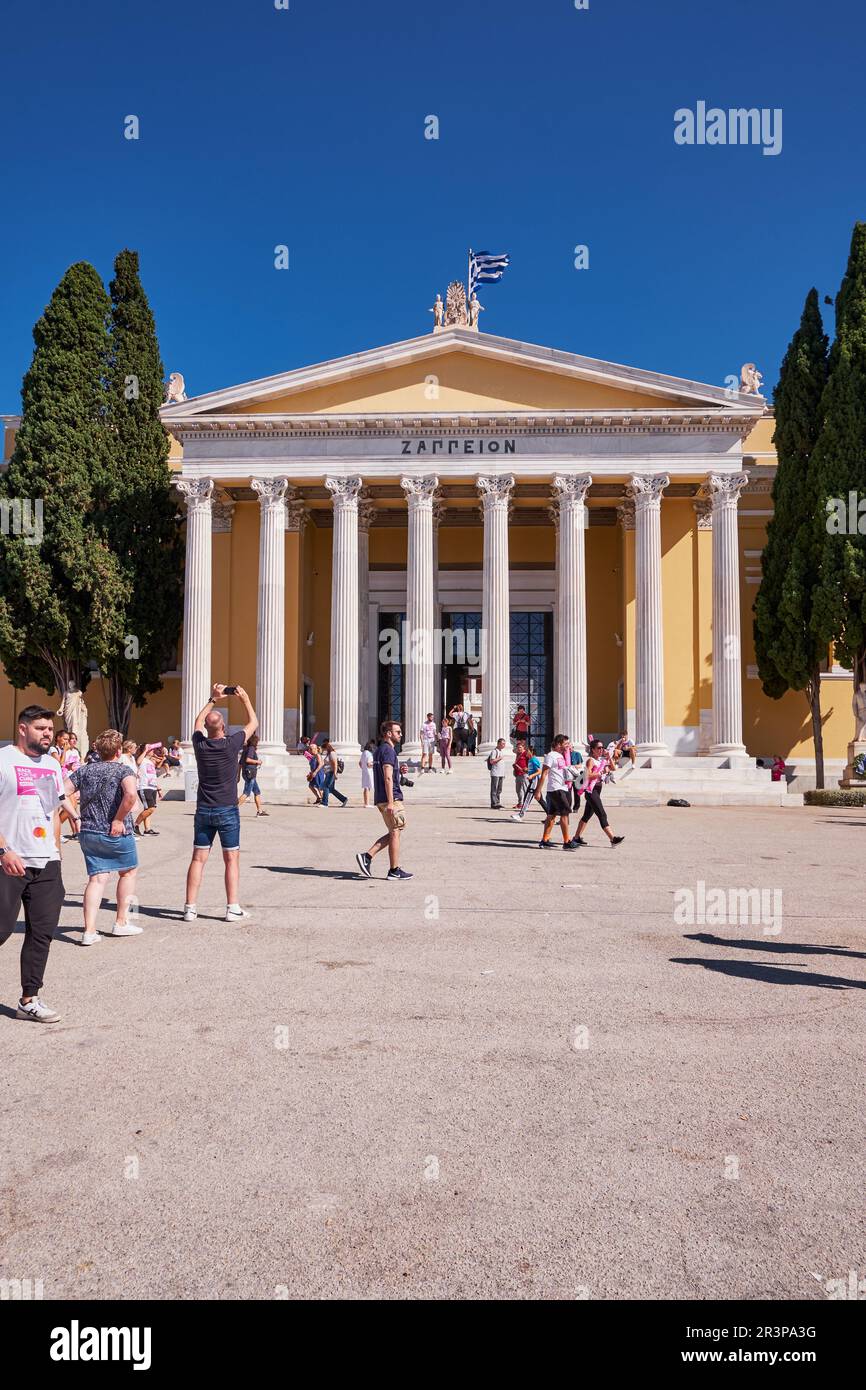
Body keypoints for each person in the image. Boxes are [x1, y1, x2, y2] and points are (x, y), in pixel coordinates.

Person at [0, 705, 68, 1022]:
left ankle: (29, 999)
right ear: (23, 728)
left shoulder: (53, 765)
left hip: (46, 863)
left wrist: (56, 851)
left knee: (41, 932)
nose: (47, 733)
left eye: (50, 729)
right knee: (0, 931)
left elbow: (53, 812)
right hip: (8, 861)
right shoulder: (3, 761)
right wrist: (3, 851)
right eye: (41, 728)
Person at [183, 683, 258, 923]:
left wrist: (213, 699)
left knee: (198, 858)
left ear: (206, 729)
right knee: (231, 858)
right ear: (223, 727)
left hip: (203, 809)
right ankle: (232, 907)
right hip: (227, 809)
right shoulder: (231, 744)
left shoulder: (200, 744)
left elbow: (196, 722)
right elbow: (253, 723)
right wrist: (244, 699)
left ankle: (189, 908)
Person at [65, 729, 142, 945]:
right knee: (127, 873)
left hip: (89, 831)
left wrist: (75, 816)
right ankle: (121, 921)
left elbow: (61, 791)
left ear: (97, 749)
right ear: (119, 750)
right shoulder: (123, 770)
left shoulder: (85, 771)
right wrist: (118, 819)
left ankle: (89, 931)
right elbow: (130, 795)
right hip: (115, 831)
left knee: (97, 879)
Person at [355, 720, 412, 881]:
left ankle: (367, 857)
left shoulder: (380, 751)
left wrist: (399, 771)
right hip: (390, 797)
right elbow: (387, 778)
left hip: (380, 797)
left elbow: (388, 772)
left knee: (395, 831)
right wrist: (391, 802)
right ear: (388, 733)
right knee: (395, 832)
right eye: (398, 732)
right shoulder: (388, 751)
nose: (400, 734)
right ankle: (393, 870)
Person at [569, 740, 624, 849]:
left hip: (598, 790)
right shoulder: (591, 761)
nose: (601, 750)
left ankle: (576, 837)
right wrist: (601, 772)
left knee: (586, 816)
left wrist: (608, 757)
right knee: (602, 814)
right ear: (593, 750)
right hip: (591, 791)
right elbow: (587, 775)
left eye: (602, 747)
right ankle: (613, 838)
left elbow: (613, 768)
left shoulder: (602, 760)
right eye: (598, 748)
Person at [537, 734, 581, 849]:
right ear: (558, 744)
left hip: (562, 787)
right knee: (565, 813)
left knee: (551, 815)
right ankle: (567, 841)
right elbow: (544, 773)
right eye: (565, 743)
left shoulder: (561, 756)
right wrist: (538, 791)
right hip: (556, 789)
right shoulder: (551, 756)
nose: (567, 746)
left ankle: (545, 840)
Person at [133, 744, 162, 836]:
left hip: (152, 787)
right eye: (151, 749)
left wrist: (158, 788)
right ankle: (135, 825)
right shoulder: (142, 759)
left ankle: (147, 829)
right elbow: (138, 762)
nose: (153, 751)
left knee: (148, 809)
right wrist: (145, 751)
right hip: (144, 787)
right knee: (151, 809)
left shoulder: (150, 762)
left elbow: (153, 776)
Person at [511, 745, 545, 820]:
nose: (526, 752)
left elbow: (539, 771)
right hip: (532, 780)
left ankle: (520, 815)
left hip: (534, 781)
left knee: (527, 797)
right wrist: (526, 770)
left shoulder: (534, 760)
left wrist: (531, 776)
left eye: (528, 751)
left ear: (532, 752)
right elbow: (532, 770)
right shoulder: (530, 760)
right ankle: (550, 815)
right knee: (540, 799)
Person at [238, 732, 267, 815]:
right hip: (250, 774)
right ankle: (232, 810)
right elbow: (248, 760)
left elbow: (240, 763)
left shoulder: (245, 749)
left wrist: (238, 776)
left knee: (257, 792)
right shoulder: (251, 748)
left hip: (247, 773)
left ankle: (260, 811)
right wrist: (258, 761)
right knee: (246, 793)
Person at [321, 740, 348, 807]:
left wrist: (335, 773)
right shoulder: (329, 754)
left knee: (326, 786)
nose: (323, 750)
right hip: (328, 772)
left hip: (331, 772)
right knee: (331, 789)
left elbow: (335, 764)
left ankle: (324, 803)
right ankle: (343, 799)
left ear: (327, 748)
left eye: (324, 749)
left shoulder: (332, 753)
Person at [487, 737, 507, 809]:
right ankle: (494, 803)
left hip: (501, 773)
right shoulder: (494, 751)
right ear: (498, 744)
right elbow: (491, 761)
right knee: (494, 789)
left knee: (499, 789)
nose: (504, 745)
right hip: (495, 773)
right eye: (502, 743)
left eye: (504, 744)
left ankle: (497, 802)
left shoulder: (501, 751)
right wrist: (499, 758)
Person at [513, 740, 529, 808]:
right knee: (518, 789)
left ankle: (526, 803)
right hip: (517, 774)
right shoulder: (518, 754)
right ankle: (520, 803)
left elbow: (530, 762)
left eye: (520, 747)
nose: (518, 749)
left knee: (525, 789)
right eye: (517, 747)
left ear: (523, 747)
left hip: (524, 774)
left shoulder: (526, 753)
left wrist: (527, 769)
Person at [359, 741, 375, 806]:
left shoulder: (363, 753)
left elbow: (360, 763)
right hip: (369, 772)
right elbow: (369, 764)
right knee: (368, 788)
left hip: (364, 772)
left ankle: (366, 803)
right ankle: (367, 803)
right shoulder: (369, 754)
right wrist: (375, 764)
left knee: (366, 787)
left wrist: (363, 768)